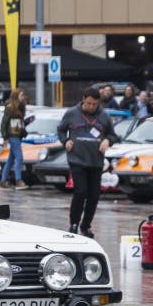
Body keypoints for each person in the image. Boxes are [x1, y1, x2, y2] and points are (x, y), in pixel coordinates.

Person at [57, 88, 118, 238]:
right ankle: (74, 224)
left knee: (94, 195)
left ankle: (86, 225)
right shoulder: (72, 113)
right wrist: (66, 141)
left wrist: (107, 140)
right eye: (89, 103)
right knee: (81, 191)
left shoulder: (103, 116)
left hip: (96, 161)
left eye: (94, 104)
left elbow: (113, 134)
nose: (91, 107)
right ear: (83, 99)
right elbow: (61, 130)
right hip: (77, 159)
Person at [0, 89, 29, 190]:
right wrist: (5, 137)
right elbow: (4, 123)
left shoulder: (21, 107)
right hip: (12, 136)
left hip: (17, 135)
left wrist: (23, 131)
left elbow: (20, 123)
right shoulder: (10, 107)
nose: (23, 97)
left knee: (11, 160)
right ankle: (18, 181)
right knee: (19, 158)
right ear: (16, 96)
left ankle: (3, 181)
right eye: (21, 95)